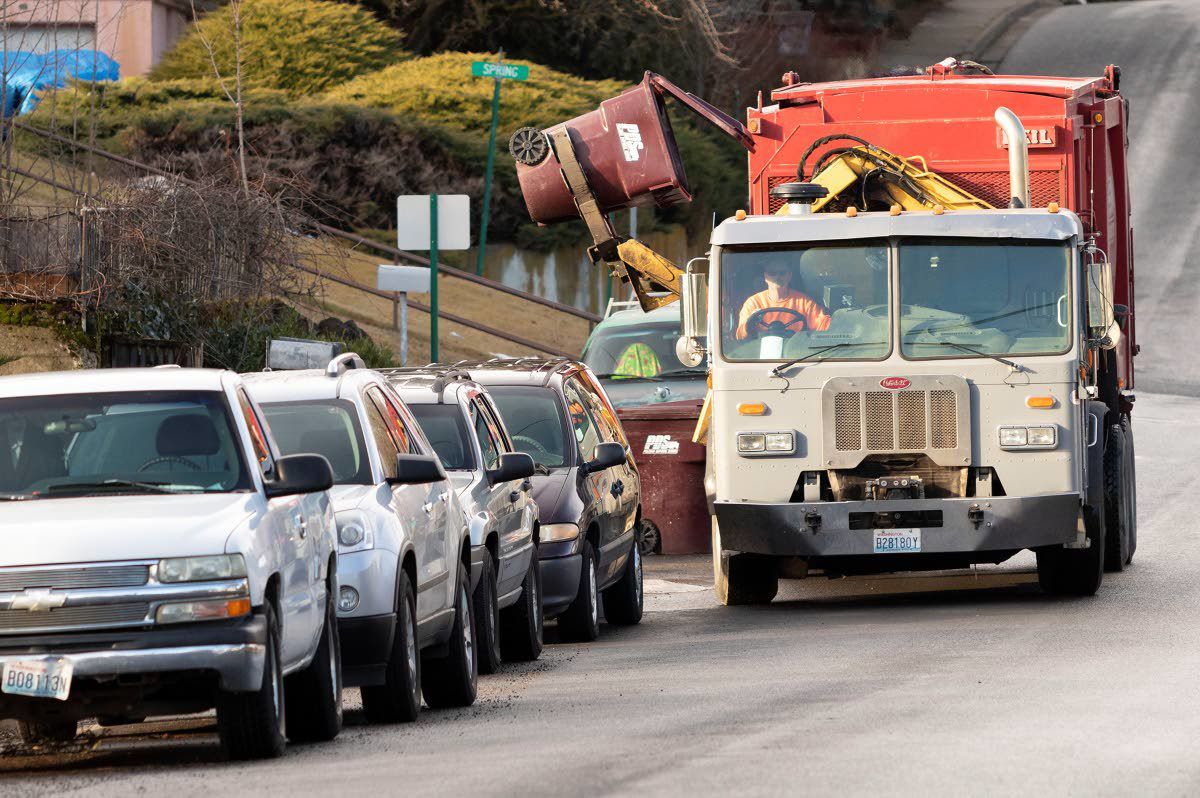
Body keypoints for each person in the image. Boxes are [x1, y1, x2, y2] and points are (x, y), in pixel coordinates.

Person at [735, 259, 831, 340]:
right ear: (766, 277)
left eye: (782, 273)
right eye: (772, 273)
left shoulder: (804, 302)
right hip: (760, 356)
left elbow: (825, 328)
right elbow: (740, 337)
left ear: (789, 276)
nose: (777, 277)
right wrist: (751, 323)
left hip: (795, 354)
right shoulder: (753, 303)